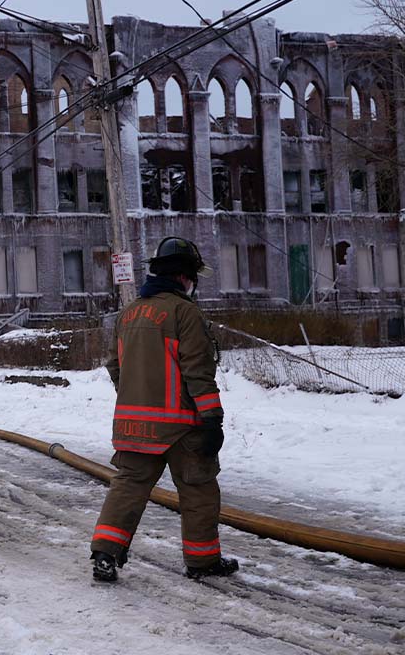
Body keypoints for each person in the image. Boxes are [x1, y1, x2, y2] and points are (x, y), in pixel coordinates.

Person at [89, 236, 239, 583]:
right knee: (198, 488)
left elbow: (115, 366)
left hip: (133, 425)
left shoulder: (128, 313)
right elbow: (197, 372)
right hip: (181, 426)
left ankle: (105, 553)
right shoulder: (185, 313)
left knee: (128, 486)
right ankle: (202, 561)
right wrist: (212, 419)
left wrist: (135, 397)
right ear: (185, 277)